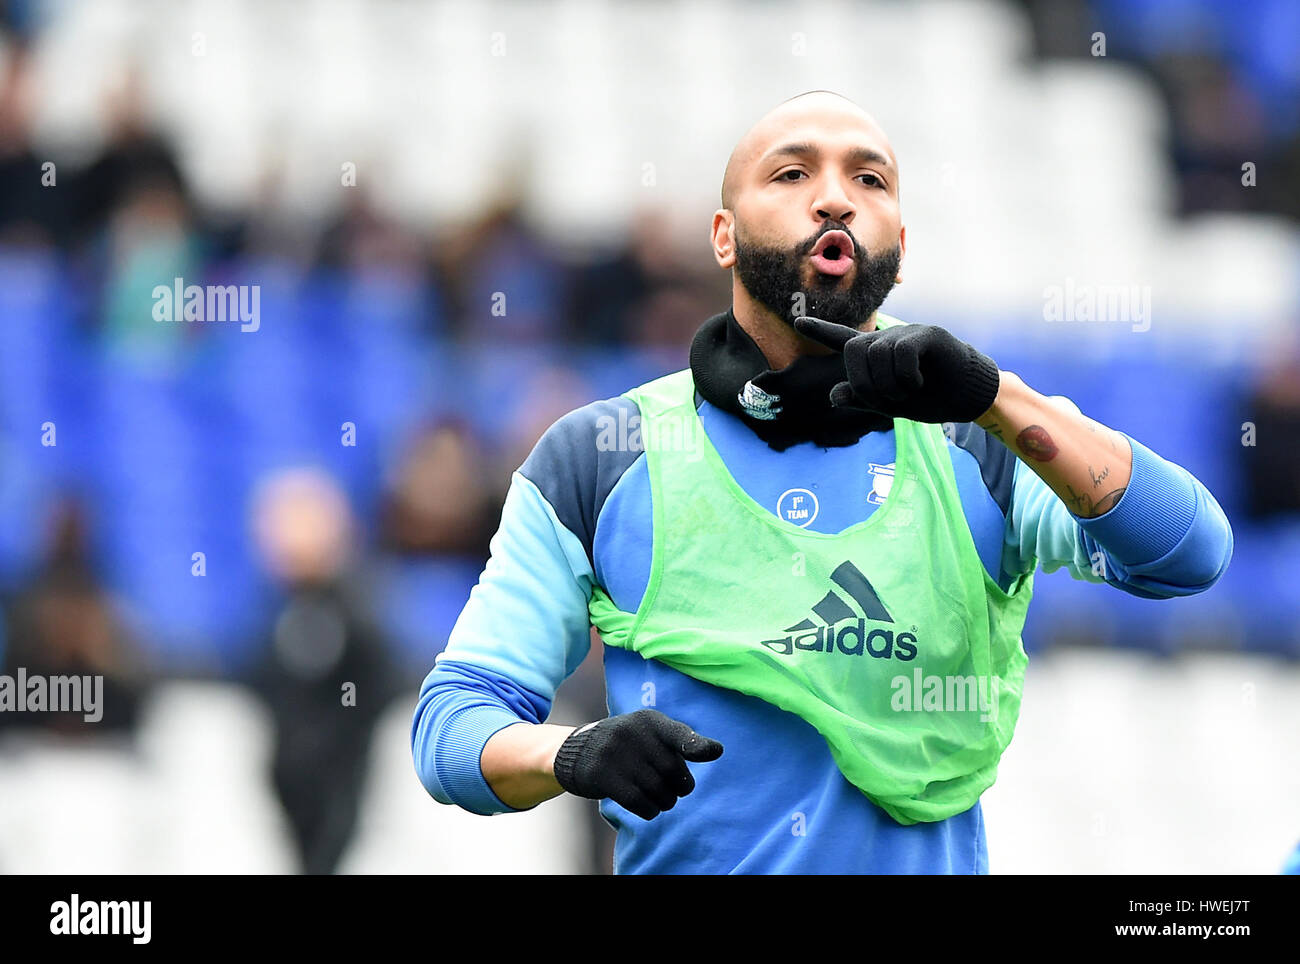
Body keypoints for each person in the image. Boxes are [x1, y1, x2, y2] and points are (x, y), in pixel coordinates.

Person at [410, 90, 1234, 874]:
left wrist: (995, 395)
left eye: (867, 179)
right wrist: (570, 751)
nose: (835, 198)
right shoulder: (601, 455)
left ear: (900, 250)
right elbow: (450, 729)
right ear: (723, 237)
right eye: (792, 173)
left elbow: (1191, 554)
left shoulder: (983, 443)